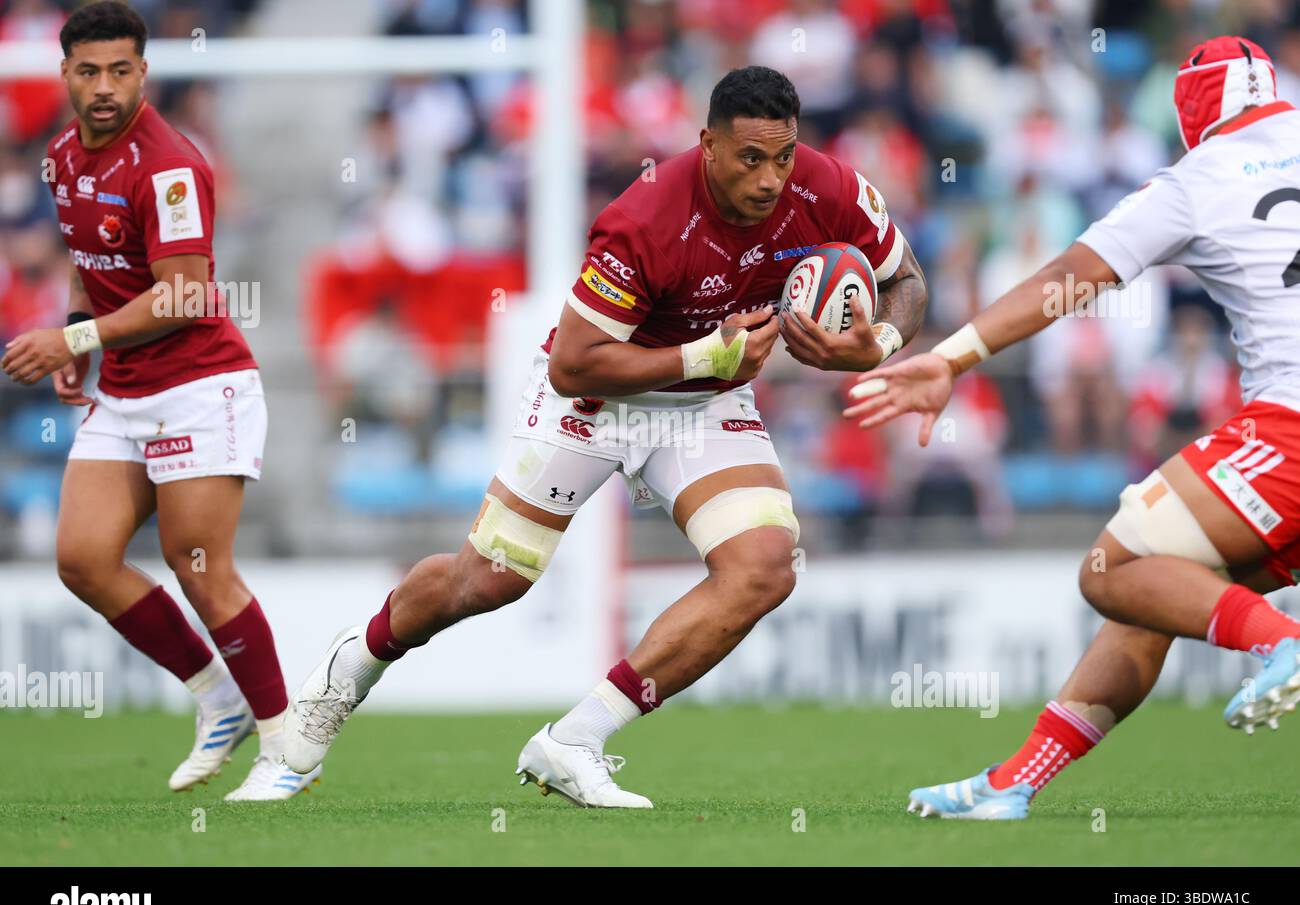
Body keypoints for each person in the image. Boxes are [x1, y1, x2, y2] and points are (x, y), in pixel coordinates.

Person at [280, 65, 928, 808]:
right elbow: (572, 363)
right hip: (597, 397)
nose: (770, 178)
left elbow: (907, 281)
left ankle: (575, 740)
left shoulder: (829, 189)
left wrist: (874, 344)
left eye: (782, 157)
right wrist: (704, 355)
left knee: (764, 566)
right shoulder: (647, 216)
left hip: (703, 405)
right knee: (488, 580)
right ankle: (352, 666)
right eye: (750, 158)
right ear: (707, 145)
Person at [845, 36, 1300, 820]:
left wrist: (951, 359)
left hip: (1288, 427)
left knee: (1109, 569)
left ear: (1190, 111)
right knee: (1161, 593)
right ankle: (1014, 782)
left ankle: (1277, 643)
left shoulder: (1197, 180)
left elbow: (1067, 282)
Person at [1, 1, 316, 801]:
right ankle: (218, 698)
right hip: (129, 389)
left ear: (144, 72)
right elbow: (91, 256)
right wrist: (80, 324)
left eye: (120, 70)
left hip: (201, 387)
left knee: (198, 565)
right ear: (65, 74)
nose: (104, 87)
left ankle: (288, 748)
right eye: (88, 70)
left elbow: (183, 296)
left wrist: (73, 343)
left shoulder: (169, 164)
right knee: (82, 559)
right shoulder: (64, 153)